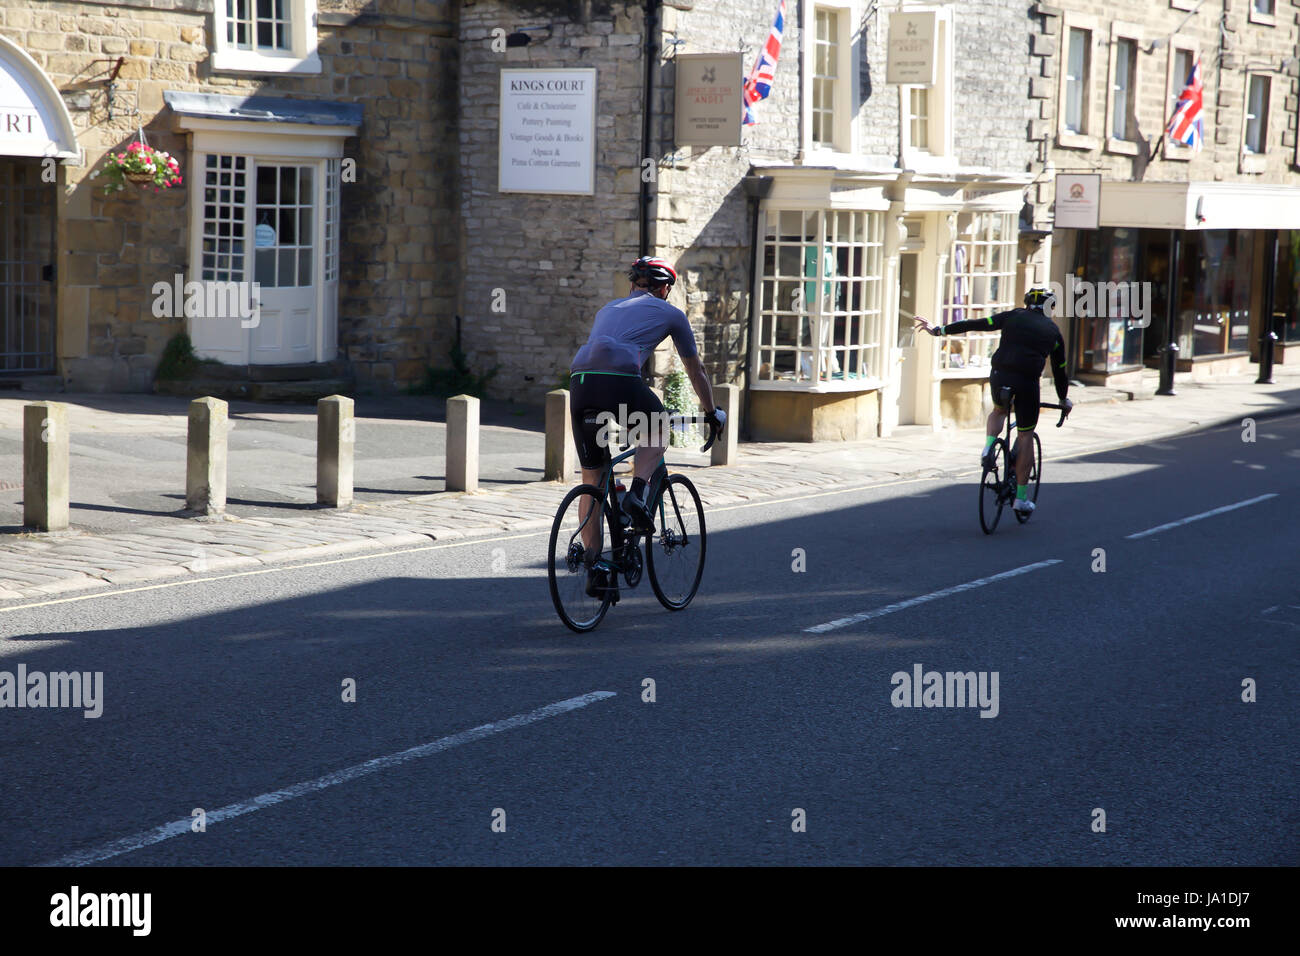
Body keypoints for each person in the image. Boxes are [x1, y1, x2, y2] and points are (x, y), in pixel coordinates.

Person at [569, 255, 725, 595]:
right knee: (658, 428)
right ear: (665, 288)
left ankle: (595, 571)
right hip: (619, 381)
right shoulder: (672, 314)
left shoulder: (608, 308)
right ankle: (637, 495)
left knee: (592, 479)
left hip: (580, 383)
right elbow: (695, 370)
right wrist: (712, 411)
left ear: (632, 285)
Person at [913, 288, 1073, 515]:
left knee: (999, 411)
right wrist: (1063, 398)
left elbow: (975, 323)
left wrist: (939, 330)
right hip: (1027, 383)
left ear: (1026, 303)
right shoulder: (1054, 333)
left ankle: (988, 447)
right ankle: (1020, 498)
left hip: (1001, 375)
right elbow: (1060, 370)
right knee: (1025, 435)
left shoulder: (1011, 316)